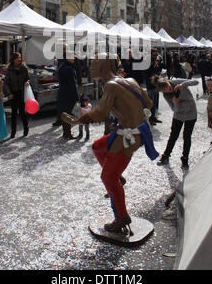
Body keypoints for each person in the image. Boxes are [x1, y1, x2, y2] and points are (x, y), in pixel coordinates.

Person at [63, 56, 157, 233]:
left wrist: (81, 119)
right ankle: (118, 178)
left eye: (93, 64)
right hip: (133, 131)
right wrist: (127, 113)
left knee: (107, 178)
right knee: (98, 146)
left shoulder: (111, 85)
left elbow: (100, 112)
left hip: (128, 137)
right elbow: (149, 102)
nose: (90, 68)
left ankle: (122, 217)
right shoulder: (129, 80)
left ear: (103, 66)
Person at [156, 77, 199, 169]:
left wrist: (184, 84)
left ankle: (185, 159)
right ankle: (165, 156)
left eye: (167, 86)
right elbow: (173, 108)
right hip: (178, 115)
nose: (167, 90)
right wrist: (175, 104)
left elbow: (196, 81)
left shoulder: (177, 82)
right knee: (173, 136)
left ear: (168, 82)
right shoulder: (166, 95)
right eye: (164, 90)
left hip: (191, 113)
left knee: (187, 136)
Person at [4, 52, 30, 139]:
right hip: (13, 93)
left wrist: (27, 82)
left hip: (22, 93)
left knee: (22, 112)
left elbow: (27, 78)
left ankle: (26, 129)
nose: (20, 59)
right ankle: (13, 132)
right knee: (14, 113)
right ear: (14, 59)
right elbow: (6, 83)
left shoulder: (24, 68)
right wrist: (9, 93)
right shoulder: (9, 70)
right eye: (18, 58)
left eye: (20, 58)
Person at [57, 53, 79, 140]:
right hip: (69, 93)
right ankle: (67, 134)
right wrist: (76, 96)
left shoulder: (61, 66)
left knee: (63, 113)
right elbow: (72, 84)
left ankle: (65, 133)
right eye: (73, 57)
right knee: (68, 114)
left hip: (62, 92)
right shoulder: (70, 69)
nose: (74, 59)